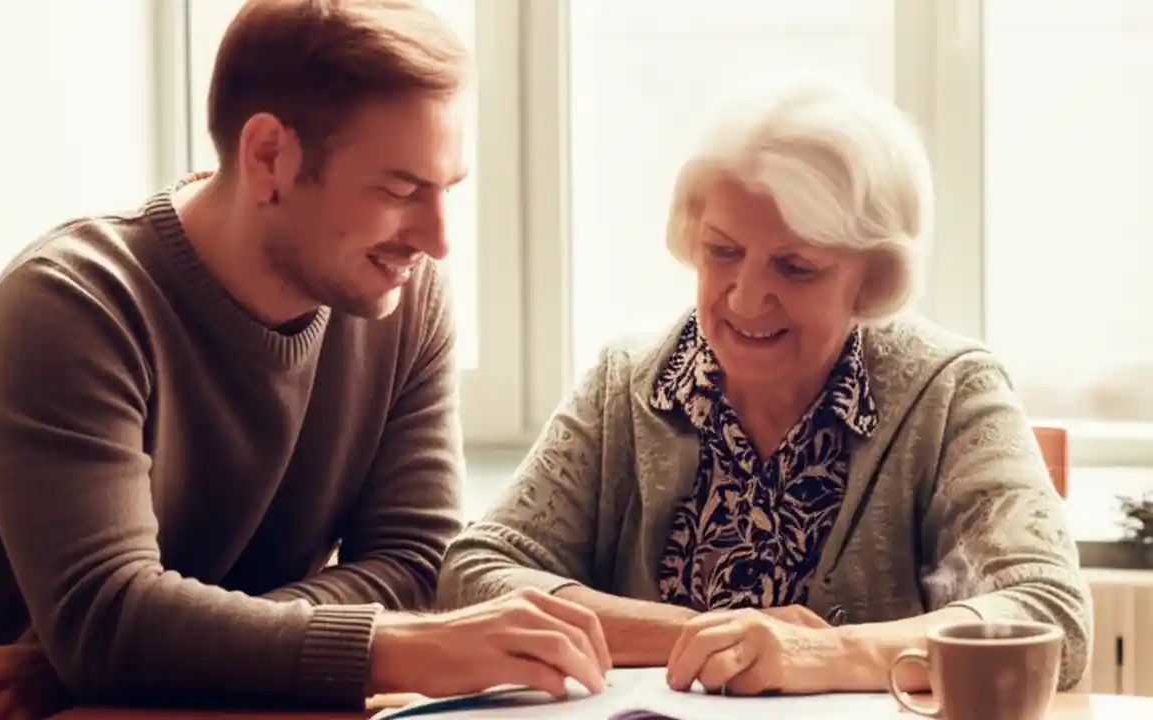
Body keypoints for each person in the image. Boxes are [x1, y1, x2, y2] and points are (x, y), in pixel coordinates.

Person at [0, 1, 610, 717]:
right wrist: (401, 647)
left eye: (447, 189)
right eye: (400, 190)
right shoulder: (71, 304)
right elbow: (106, 616)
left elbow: (412, 564)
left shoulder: (407, 298)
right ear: (270, 156)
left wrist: (129, 653)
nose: (436, 239)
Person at [436, 71, 1093, 695]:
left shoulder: (950, 393)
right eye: (722, 251)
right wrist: (697, 638)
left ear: (871, 275)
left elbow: (1049, 615)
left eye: (796, 267)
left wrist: (824, 652)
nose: (746, 298)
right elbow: (474, 574)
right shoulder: (625, 385)